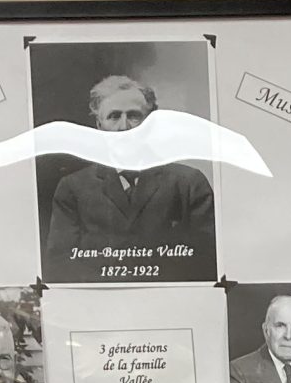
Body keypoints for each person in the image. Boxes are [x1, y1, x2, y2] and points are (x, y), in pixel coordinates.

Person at [41, 72, 216, 282]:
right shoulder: (73, 188)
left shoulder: (189, 184)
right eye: (114, 117)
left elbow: (206, 263)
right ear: (99, 126)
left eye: (134, 116)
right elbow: (61, 266)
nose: (124, 127)